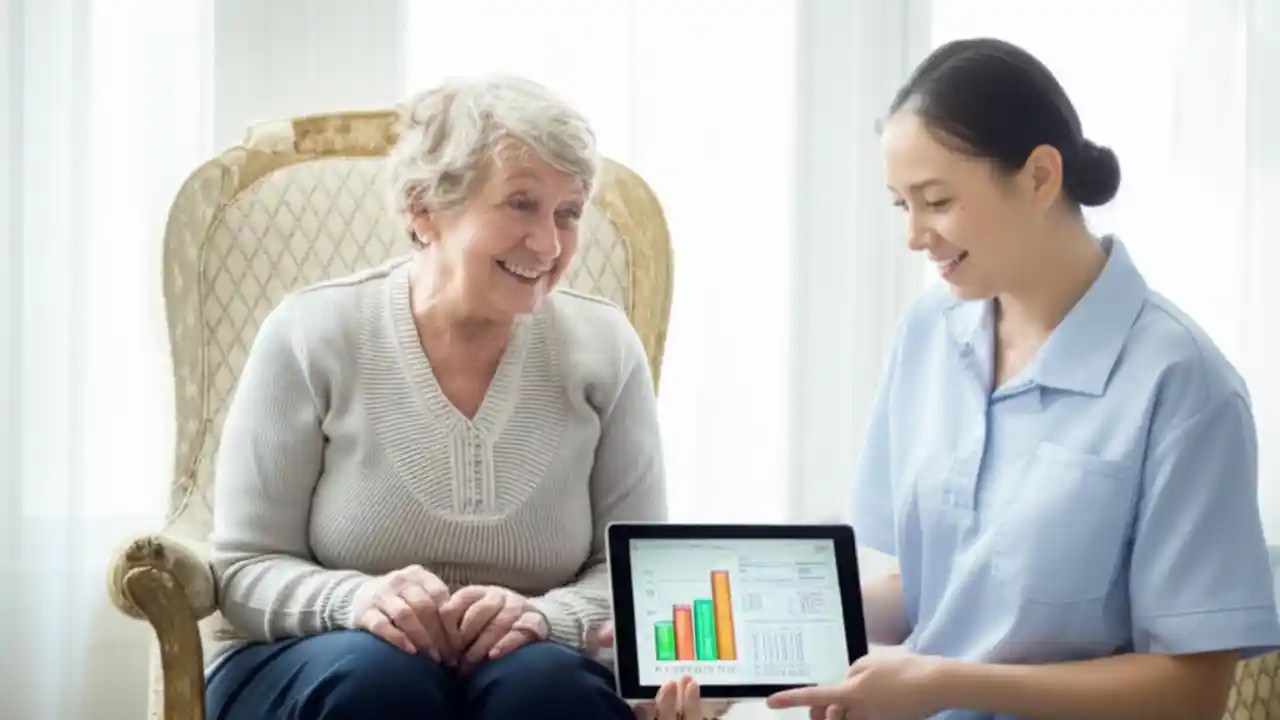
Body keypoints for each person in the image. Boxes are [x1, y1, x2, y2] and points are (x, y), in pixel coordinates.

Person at [759, 37, 1280, 719]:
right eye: (900, 205)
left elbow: (1193, 691)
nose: (914, 235)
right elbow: (934, 592)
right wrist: (757, 628)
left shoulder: (1183, 386)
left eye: (936, 200)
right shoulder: (928, 334)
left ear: (1039, 177)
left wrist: (946, 684)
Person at [204, 75, 667, 720]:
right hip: (320, 657)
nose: (549, 244)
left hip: (533, 662)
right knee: (379, 679)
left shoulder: (604, 347)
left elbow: (640, 575)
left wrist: (543, 616)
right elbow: (244, 568)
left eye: (568, 212)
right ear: (424, 209)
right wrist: (356, 602)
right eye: (521, 204)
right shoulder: (312, 332)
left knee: (544, 691)